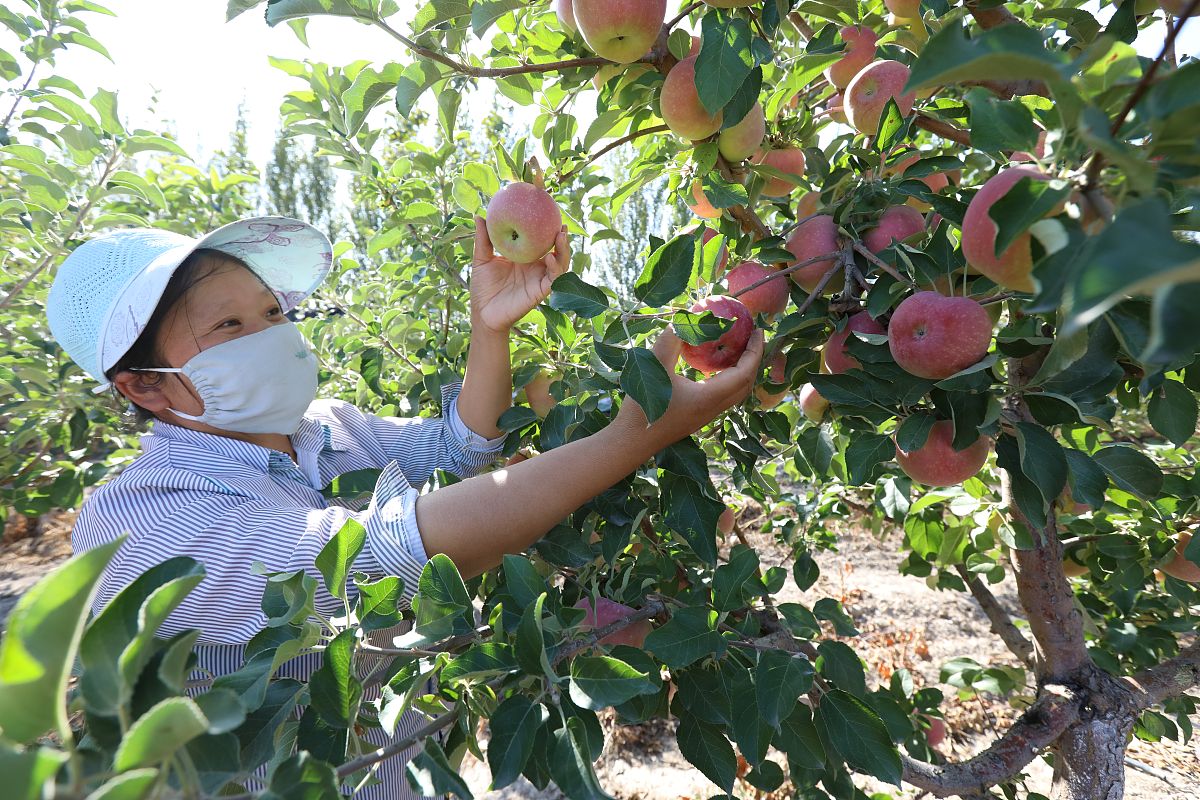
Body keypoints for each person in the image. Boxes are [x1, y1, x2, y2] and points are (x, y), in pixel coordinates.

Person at [45, 214, 762, 797]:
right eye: (228, 328)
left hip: (401, 774)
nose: (272, 334)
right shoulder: (138, 521)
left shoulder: (329, 428)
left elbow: (462, 449)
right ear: (146, 386)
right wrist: (635, 435)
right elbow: (389, 551)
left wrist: (491, 326)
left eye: (271, 311)